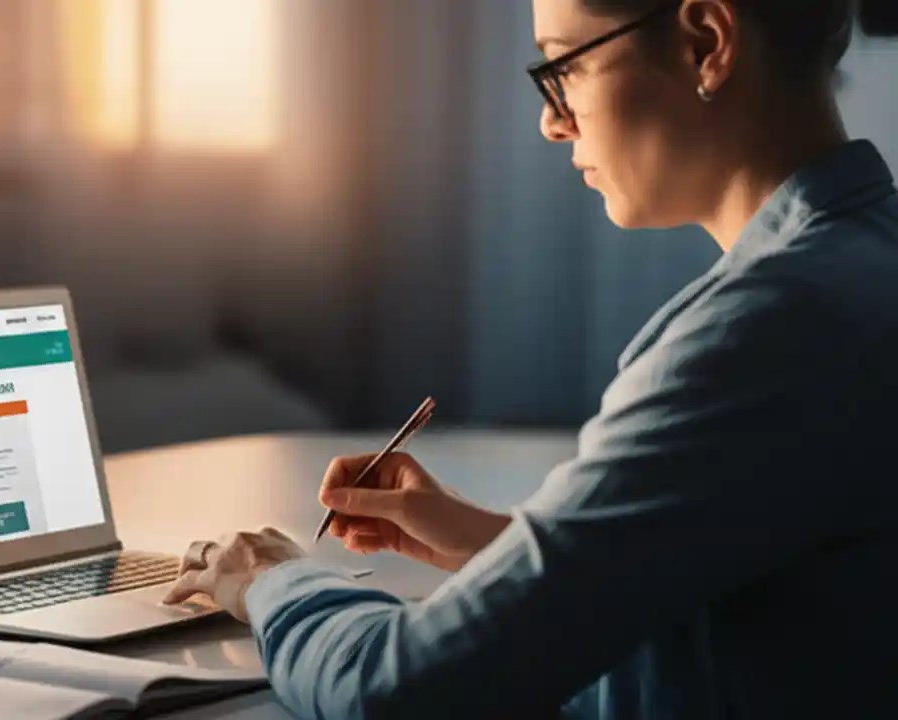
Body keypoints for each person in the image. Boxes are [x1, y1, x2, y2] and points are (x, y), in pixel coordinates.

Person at [164, 0, 898, 717]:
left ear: (706, 42)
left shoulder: (759, 333)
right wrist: (502, 548)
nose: (553, 121)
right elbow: (749, 581)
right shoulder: (866, 262)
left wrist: (276, 581)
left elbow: (400, 690)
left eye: (564, 67)